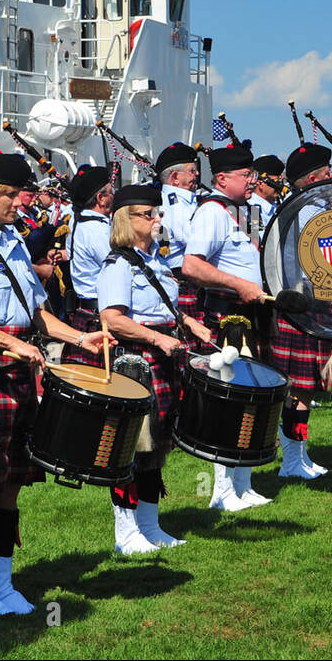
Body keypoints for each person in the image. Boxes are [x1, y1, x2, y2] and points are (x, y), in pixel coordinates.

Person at [0, 152, 111, 616]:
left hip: (18, 374)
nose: (19, 201)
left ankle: (2, 584)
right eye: (11, 194)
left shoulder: (11, 239)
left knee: (11, 484)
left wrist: (79, 336)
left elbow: (36, 312)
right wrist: (9, 343)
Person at [98, 184, 213, 553]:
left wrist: (188, 323)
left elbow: (162, 305)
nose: (157, 219)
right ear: (126, 220)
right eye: (148, 214)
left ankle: (149, 525)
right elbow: (112, 319)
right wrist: (157, 339)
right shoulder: (117, 264)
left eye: (157, 213)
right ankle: (125, 532)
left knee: (156, 443)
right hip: (135, 360)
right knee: (129, 447)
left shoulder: (154, 260)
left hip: (162, 356)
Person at [182, 143, 272, 510]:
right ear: (222, 178)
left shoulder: (246, 210)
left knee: (254, 397)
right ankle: (220, 491)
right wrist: (240, 285)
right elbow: (192, 266)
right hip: (227, 315)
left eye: (253, 174)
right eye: (246, 175)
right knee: (229, 397)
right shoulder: (212, 212)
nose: (253, 180)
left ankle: (243, 482)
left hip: (254, 313)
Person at [267, 143, 332, 479]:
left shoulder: (301, 206)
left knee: (303, 387)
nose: (331, 177)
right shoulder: (311, 211)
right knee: (300, 387)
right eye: (325, 173)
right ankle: (293, 461)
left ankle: (299, 457)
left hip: (303, 301)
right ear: (311, 178)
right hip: (303, 301)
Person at [63, 164, 114, 359]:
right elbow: (120, 268)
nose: (114, 196)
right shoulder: (97, 230)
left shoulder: (77, 221)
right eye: (111, 192)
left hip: (86, 309)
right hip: (99, 312)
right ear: (100, 198)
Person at [155, 143, 202, 323]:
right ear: (175, 177)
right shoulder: (177, 205)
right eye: (192, 170)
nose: (197, 174)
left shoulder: (175, 200)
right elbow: (196, 241)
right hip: (184, 282)